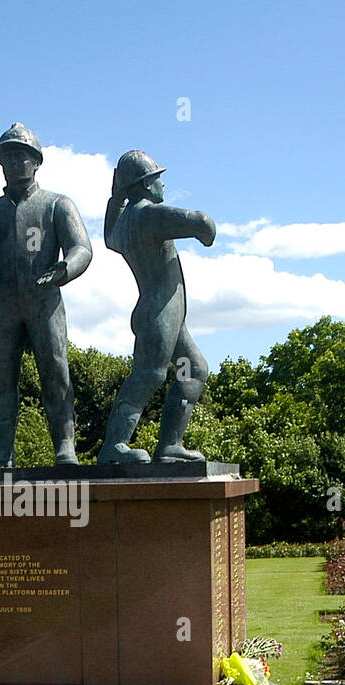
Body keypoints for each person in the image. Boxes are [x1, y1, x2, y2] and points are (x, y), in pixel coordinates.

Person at [0, 123, 92, 467]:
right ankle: (1, 449)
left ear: (36, 162)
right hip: (2, 305)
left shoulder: (57, 204)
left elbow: (82, 248)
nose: (15, 163)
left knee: (56, 372)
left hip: (45, 301)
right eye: (8, 157)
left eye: (22, 156)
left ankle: (64, 445)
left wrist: (66, 268)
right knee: (1, 379)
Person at [99, 150, 216, 463]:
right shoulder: (148, 214)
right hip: (160, 313)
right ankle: (114, 447)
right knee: (149, 375)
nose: (163, 185)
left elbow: (108, 236)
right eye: (157, 179)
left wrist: (116, 197)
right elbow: (199, 222)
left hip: (163, 312)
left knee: (193, 370)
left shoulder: (122, 223)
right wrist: (208, 231)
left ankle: (170, 446)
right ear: (146, 185)